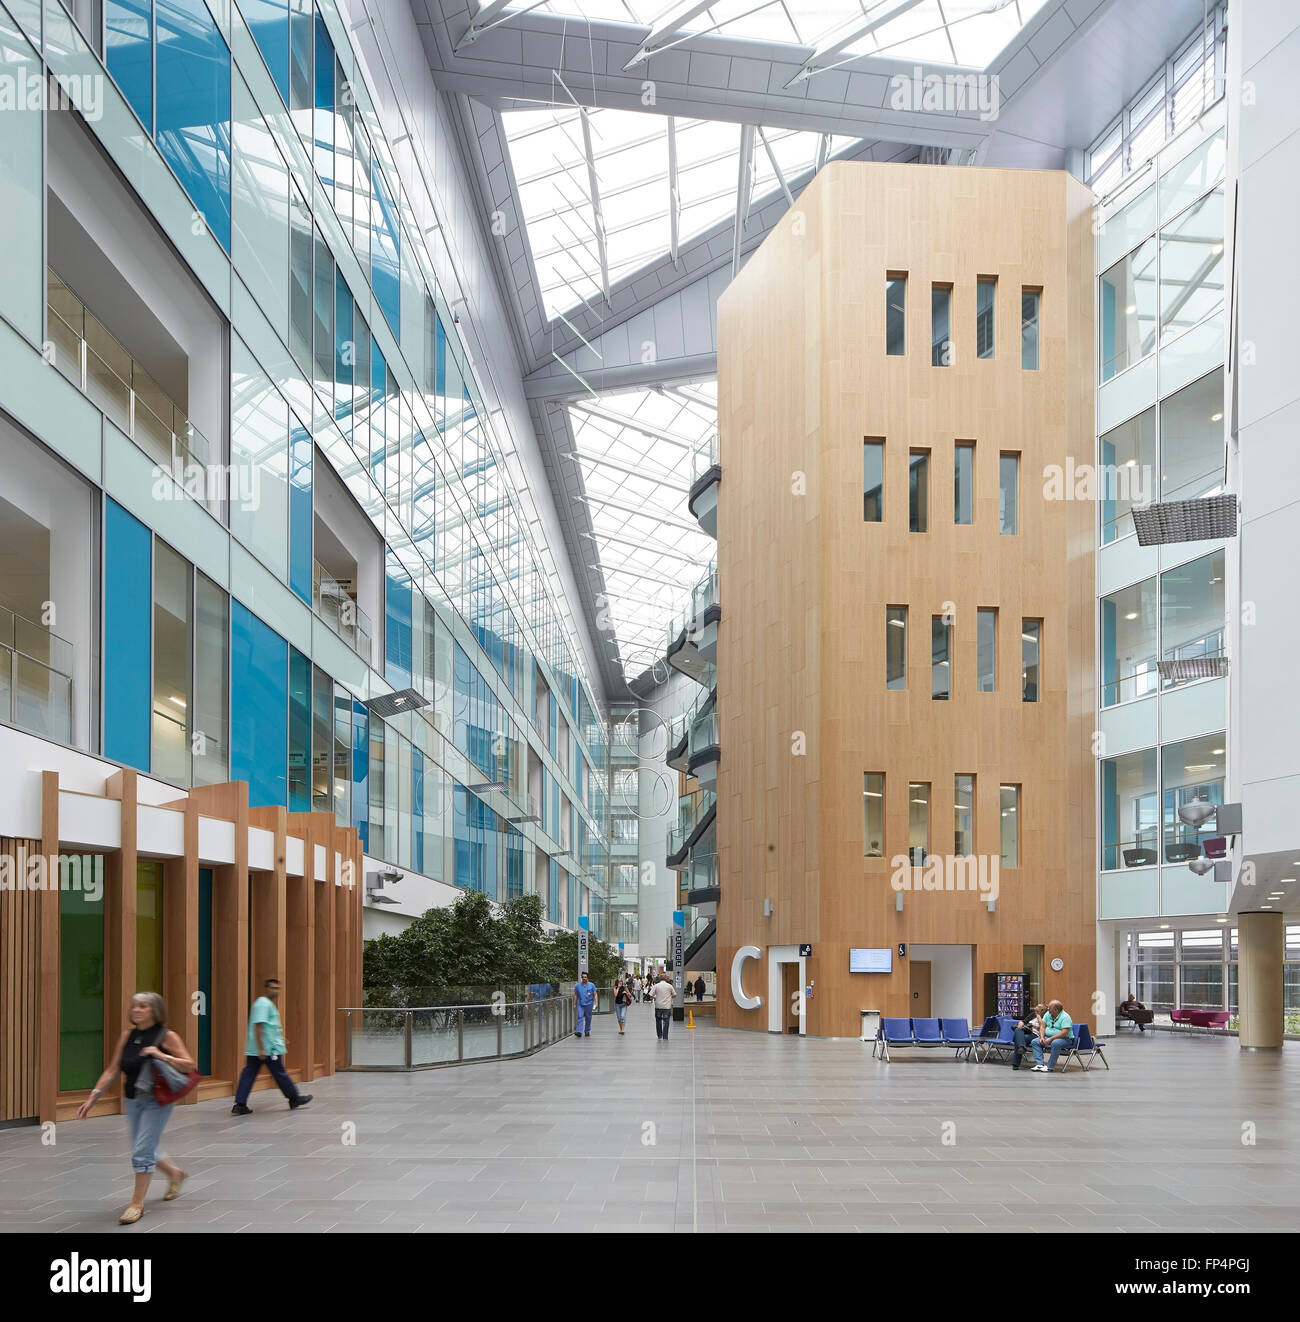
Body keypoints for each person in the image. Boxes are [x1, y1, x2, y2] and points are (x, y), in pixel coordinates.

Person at [76, 991, 195, 1224]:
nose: (136, 1010)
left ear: (155, 1010)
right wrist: (93, 1098)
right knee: (144, 1146)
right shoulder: (127, 1036)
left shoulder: (166, 1035)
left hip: (156, 1100)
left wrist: (161, 1055)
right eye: (134, 1006)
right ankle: (175, 1174)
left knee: (142, 1150)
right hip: (132, 1100)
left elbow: (189, 1065)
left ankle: (136, 1205)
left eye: (142, 1006)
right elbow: (112, 1070)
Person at [231, 978, 312, 1114]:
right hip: (267, 1050)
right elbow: (259, 1025)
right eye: (273, 988)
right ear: (266, 989)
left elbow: (268, 1027)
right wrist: (261, 1048)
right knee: (279, 1073)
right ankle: (294, 1098)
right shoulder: (263, 1004)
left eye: (277, 988)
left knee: (249, 1074)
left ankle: (240, 1104)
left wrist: (279, 1038)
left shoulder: (266, 1004)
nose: (276, 991)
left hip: (260, 1048)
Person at [1031, 1000, 1074, 1072]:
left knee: (1055, 1043)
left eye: (1049, 1008)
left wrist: (1051, 1039)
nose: (1048, 1009)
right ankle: (1039, 1064)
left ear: (1056, 1010)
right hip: (1048, 1037)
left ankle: (1050, 1066)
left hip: (1064, 1038)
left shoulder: (1065, 1017)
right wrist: (1041, 1037)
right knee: (1035, 1042)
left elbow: (1065, 1032)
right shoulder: (1048, 1014)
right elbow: (1043, 1026)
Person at [1012, 1003, 1045, 1070]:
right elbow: (1024, 1021)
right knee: (1018, 1029)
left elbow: (1043, 1026)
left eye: (1038, 1007)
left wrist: (1038, 1017)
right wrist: (1021, 1023)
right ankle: (1022, 1047)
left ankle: (1016, 1064)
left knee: (1017, 1040)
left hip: (1035, 1035)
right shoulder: (1033, 1014)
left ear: (1042, 1010)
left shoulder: (1045, 1017)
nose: (1036, 1007)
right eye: (1037, 1006)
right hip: (1026, 1032)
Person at [650, 971, 675, 1040]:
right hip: (667, 1006)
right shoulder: (669, 986)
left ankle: (659, 1035)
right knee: (666, 1021)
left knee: (658, 1020)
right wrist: (669, 997)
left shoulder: (656, 986)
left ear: (660, 979)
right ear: (666, 979)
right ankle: (665, 1036)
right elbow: (675, 994)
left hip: (658, 1006)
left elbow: (650, 995)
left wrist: (655, 998)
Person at [573, 970, 598, 1038]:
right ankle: (579, 1031)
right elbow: (575, 995)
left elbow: (595, 994)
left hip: (589, 1004)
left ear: (587, 978)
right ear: (581, 978)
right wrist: (574, 1003)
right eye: (583, 977)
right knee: (580, 1017)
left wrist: (596, 1003)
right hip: (580, 1004)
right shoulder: (578, 986)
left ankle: (587, 1031)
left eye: (585, 977)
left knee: (588, 1018)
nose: (584, 978)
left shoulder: (591, 985)